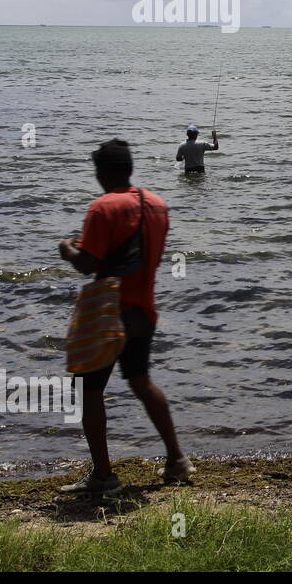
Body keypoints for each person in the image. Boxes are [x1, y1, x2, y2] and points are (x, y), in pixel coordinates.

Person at [57, 139, 193, 496]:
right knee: (141, 382)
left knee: (88, 391)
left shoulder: (104, 208)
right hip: (143, 309)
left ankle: (103, 477)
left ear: (103, 173)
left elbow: (88, 264)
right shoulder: (158, 205)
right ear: (129, 168)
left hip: (108, 313)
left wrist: (67, 248)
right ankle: (177, 460)